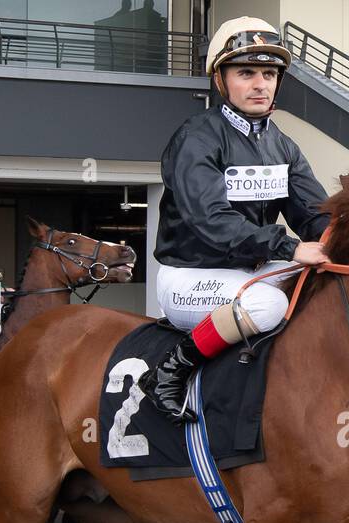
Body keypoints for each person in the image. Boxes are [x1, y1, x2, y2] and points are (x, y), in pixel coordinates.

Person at [141, 17, 331, 424]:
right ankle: (168, 373)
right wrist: (288, 246)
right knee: (268, 304)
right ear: (221, 80)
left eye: (268, 73)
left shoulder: (282, 144)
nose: (260, 83)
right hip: (189, 278)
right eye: (246, 73)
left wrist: (346, 237)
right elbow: (210, 220)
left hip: (251, 271)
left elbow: (315, 215)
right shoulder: (195, 138)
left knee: (323, 284)